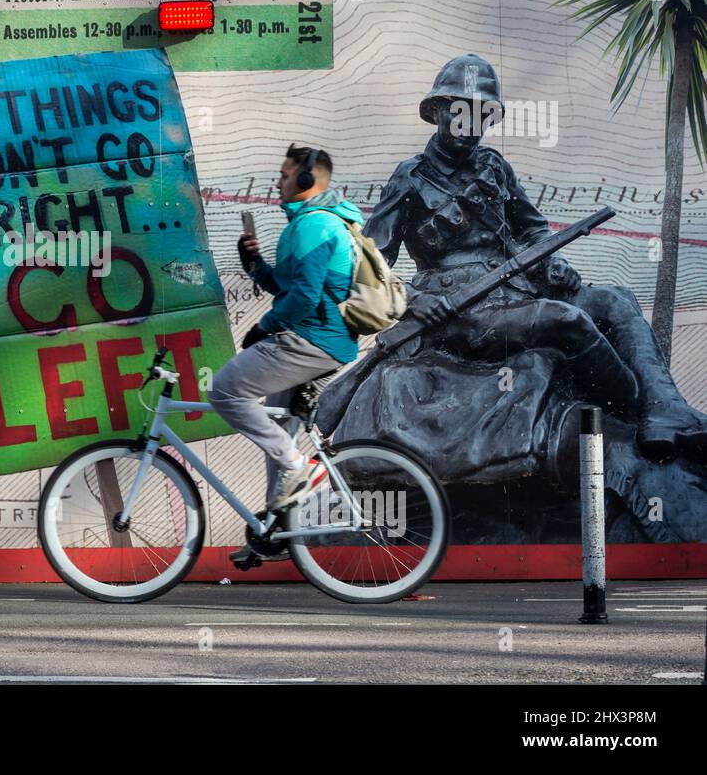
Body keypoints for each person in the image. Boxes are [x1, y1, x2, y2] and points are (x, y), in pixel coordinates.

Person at [359, 53, 707, 462]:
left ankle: (667, 412)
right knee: (568, 321)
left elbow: (531, 229)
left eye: (482, 114)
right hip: (461, 310)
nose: (471, 126)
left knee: (615, 300)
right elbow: (371, 263)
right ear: (437, 110)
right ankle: (633, 415)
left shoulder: (493, 166)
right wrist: (418, 303)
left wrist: (550, 261)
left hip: (515, 287)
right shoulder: (410, 178)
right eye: (460, 112)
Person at [211, 144, 362, 565]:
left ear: (306, 180)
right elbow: (292, 288)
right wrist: (256, 267)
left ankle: (300, 466)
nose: (277, 181)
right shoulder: (315, 224)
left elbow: (306, 297)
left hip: (312, 340)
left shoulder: (313, 225)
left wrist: (264, 327)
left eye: (283, 174)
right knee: (279, 431)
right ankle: (275, 528)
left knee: (223, 390)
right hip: (321, 340)